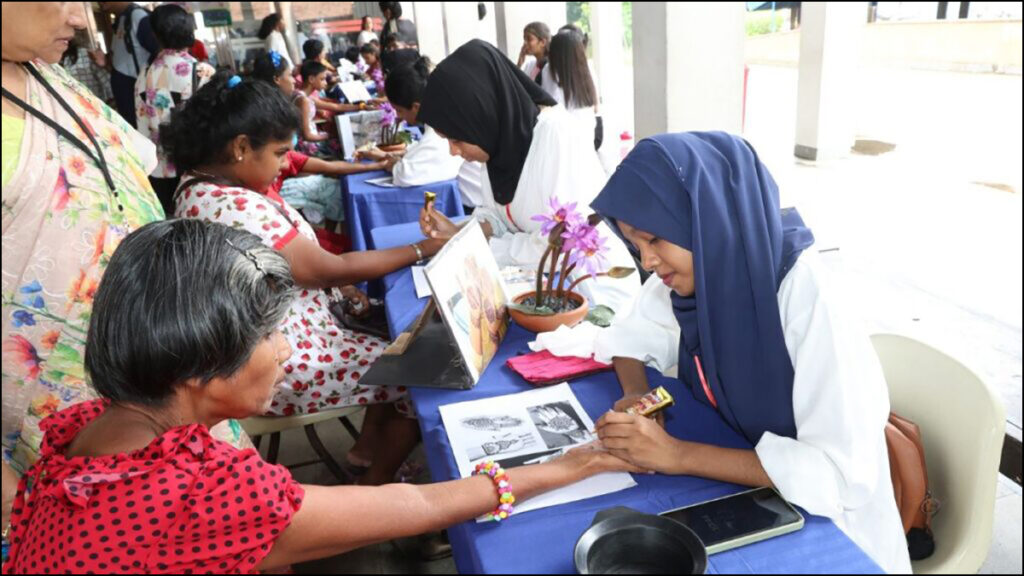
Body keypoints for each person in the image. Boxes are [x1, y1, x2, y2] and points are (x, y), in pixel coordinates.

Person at [1, 218, 644, 573]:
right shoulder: (201, 496)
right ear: (198, 369)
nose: (286, 350)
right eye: (270, 335)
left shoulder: (89, 426)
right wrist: (573, 464)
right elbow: (415, 504)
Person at [590, 132, 912, 574]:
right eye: (636, 245)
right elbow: (631, 338)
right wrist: (634, 395)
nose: (646, 261)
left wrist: (677, 454)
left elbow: (837, 476)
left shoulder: (805, 295)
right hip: (755, 493)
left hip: (835, 529)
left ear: (702, 220)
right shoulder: (704, 268)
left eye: (654, 241)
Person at [1, 1, 246, 485]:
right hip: (68, 408)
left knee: (233, 516)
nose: (78, 18)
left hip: (172, 365)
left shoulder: (45, 75)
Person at [163, 75, 441, 485]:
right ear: (240, 147)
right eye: (279, 153)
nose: (283, 165)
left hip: (279, 337)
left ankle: (365, 452)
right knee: (421, 370)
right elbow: (326, 268)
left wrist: (339, 287)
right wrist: (421, 250)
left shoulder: (201, 185)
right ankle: (375, 491)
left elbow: (298, 266)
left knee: (401, 336)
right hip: (286, 361)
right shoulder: (232, 204)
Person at [417, 40, 639, 313]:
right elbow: (497, 215)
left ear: (481, 116)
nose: (453, 151)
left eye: (456, 139)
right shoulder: (499, 144)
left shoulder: (556, 137)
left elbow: (556, 243)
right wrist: (459, 234)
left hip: (594, 299)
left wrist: (482, 249)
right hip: (542, 296)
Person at [252, 50, 395, 229]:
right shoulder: (279, 113)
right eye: (289, 75)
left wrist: (362, 105)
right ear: (276, 79)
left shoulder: (279, 107)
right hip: (277, 185)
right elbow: (306, 143)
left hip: (288, 172)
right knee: (336, 188)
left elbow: (333, 107)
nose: (293, 80)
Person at [359, 57, 478, 200]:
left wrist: (394, 165)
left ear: (416, 107)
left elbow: (405, 176)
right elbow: (424, 150)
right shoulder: (442, 114)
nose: (398, 116)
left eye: (399, 110)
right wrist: (388, 156)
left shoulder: (441, 131)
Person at [135, 3, 215, 216]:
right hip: (196, 165)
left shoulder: (144, 74)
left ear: (156, 34)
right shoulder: (200, 71)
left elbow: (141, 122)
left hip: (157, 169)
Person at [97, 2, 158, 127]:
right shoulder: (122, 19)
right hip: (128, 101)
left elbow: (158, 53)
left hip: (138, 99)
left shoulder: (137, 16)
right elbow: (120, 60)